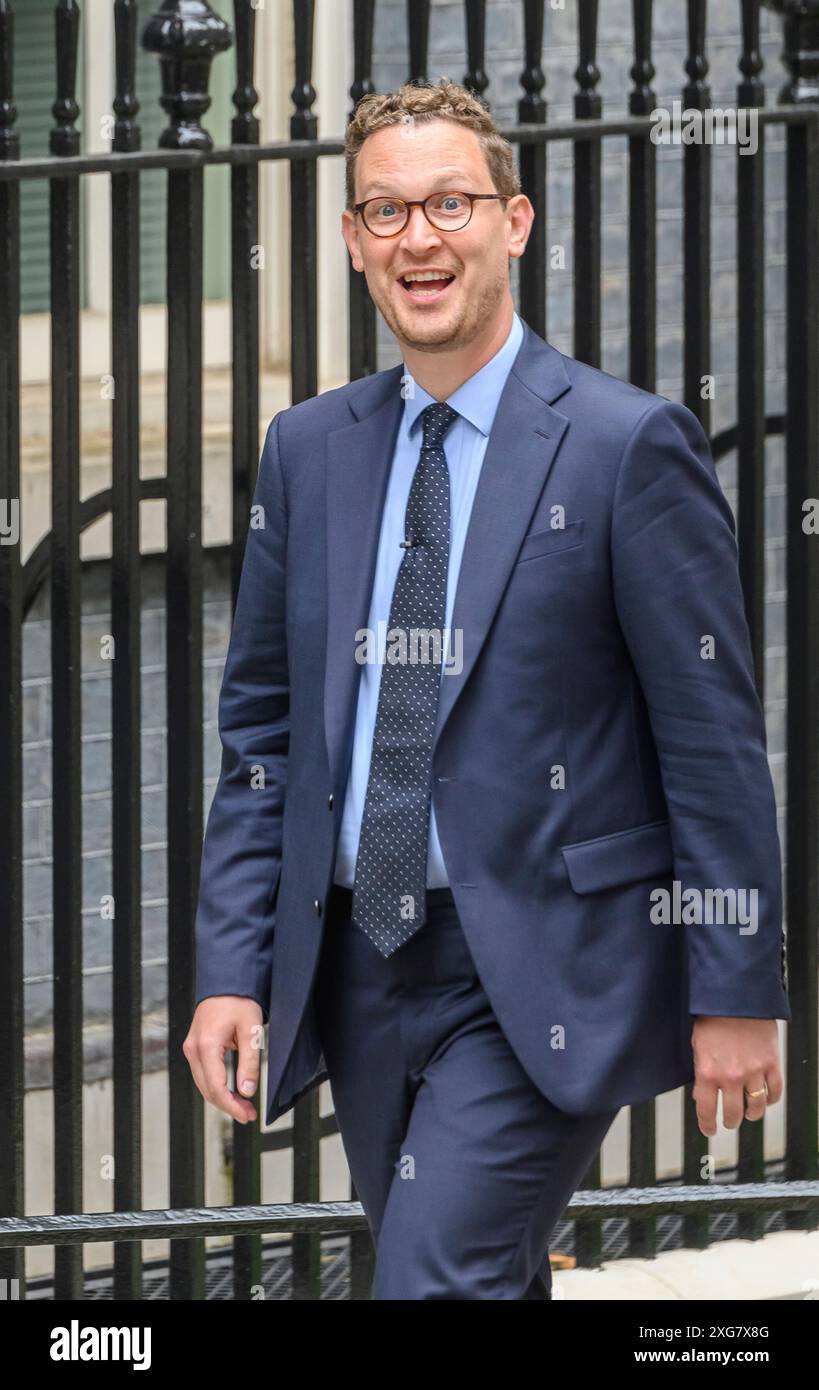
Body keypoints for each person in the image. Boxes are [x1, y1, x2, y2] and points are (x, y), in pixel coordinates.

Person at [184, 79, 791, 1300]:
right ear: (353, 241)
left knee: (433, 1278)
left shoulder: (626, 446)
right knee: (480, 1276)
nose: (421, 238)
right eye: (387, 211)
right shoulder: (308, 452)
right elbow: (265, 736)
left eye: (450, 203)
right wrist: (228, 969)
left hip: (542, 965)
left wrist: (738, 984)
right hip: (353, 962)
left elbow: (711, 737)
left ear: (514, 223)